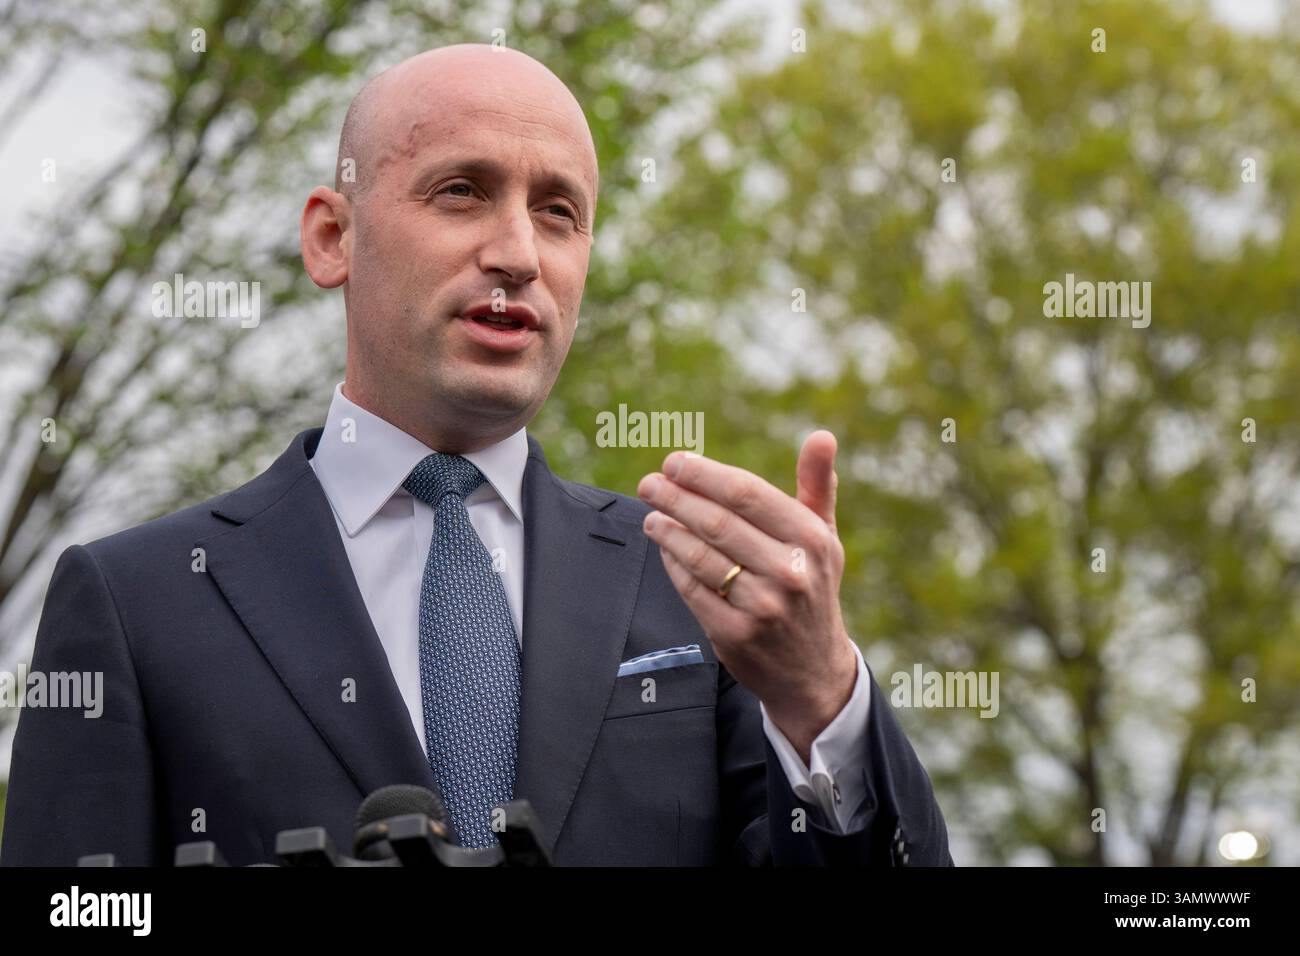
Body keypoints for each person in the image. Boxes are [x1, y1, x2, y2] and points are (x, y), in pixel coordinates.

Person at [1, 44, 951, 866]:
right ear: (334, 237)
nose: (517, 254)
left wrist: (824, 698)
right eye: (463, 191)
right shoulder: (135, 603)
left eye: (558, 213)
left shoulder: (701, 588)